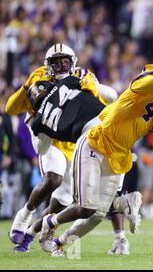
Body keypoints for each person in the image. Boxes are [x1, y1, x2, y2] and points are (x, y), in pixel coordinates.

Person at [37, 64, 153, 257]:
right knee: (87, 207)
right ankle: (51, 222)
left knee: (97, 215)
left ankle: (60, 243)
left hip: (119, 155)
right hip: (96, 144)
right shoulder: (140, 89)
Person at [5, 43, 133, 253]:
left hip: (74, 143)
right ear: (48, 66)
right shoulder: (39, 80)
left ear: (73, 63)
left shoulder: (84, 77)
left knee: (63, 202)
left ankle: (30, 234)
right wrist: (27, 86)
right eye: (56, 63)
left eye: (65, 61)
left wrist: (94, 87)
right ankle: (24, 215)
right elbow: (11, 108)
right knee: (53, 179)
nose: (62, 66)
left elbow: (111, 95)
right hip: (48, 138)